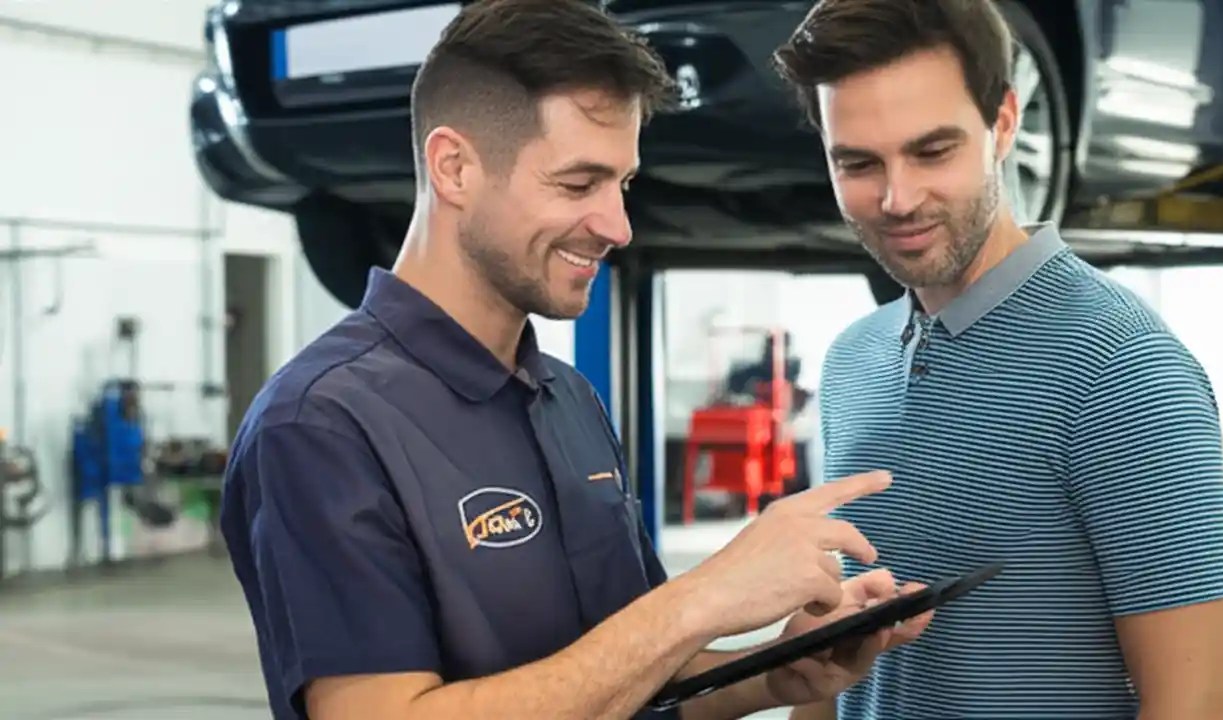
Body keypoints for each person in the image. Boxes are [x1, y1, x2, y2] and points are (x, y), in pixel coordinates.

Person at [219, 2, 935, 719]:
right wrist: (704, 598)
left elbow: (636, 677)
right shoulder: (321, 424)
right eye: (577, 184)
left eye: (620, 184)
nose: (617, 226)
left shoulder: (565, 398)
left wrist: (774, 669)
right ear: (454, 167)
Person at [770, 1, 1223, 718]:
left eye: (933, 151)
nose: (898, 198)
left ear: (1003, 123)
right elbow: (830, 683)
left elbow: (1200, 705)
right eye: (859, 162)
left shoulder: (1123, 370)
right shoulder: (851, 362)